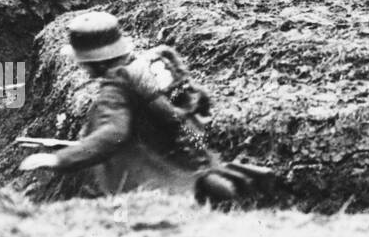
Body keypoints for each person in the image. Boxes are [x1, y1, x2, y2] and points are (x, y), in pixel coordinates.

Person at [18, 12, 272, 205]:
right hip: (183, 146)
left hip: (152, 167)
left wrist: (58, 159)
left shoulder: (115, 88)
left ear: (92, 62)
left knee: (175, 191)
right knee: (201, 177)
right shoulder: (148, 65)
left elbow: (112, 134)